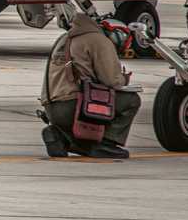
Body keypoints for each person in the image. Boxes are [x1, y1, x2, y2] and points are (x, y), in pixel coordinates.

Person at [39, 10, 141, 159]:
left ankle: (61, 136)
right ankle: (107, 144)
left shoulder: (64, 38)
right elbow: (112, 81)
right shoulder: (98, 40)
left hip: (52, 109)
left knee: (85, 138)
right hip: (75, 107)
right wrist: (124, 79)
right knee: (132, 100)